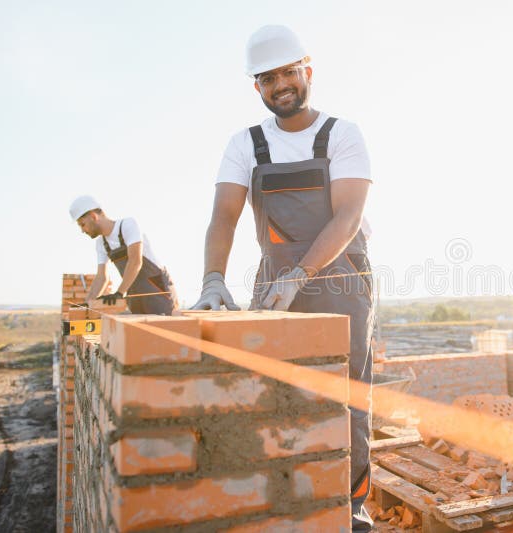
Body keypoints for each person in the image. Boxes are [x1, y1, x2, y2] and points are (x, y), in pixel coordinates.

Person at [191, 24, 375, 530]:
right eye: (268, 78)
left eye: (289, 73)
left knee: (347, 398)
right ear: (257, 87)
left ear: (307, 71)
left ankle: (347, 510)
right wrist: (212, 279)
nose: (281, 85)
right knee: (270, 391)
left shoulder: (342, 134)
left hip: (341, 282)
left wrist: (301, 275)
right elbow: (224, 217)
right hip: (275, 287)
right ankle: (281, 503)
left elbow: (348, 218)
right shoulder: (245, 144)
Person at [68, 195, 177, 315]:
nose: (82, 231)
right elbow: (101, 277)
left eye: (82, 224)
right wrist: (88, 303)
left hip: (157, 290)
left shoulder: (127, 225)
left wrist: (119, 293)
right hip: (133, 293)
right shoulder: (101, 243)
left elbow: (135, 261)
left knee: (165, 328)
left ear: (94, 216)